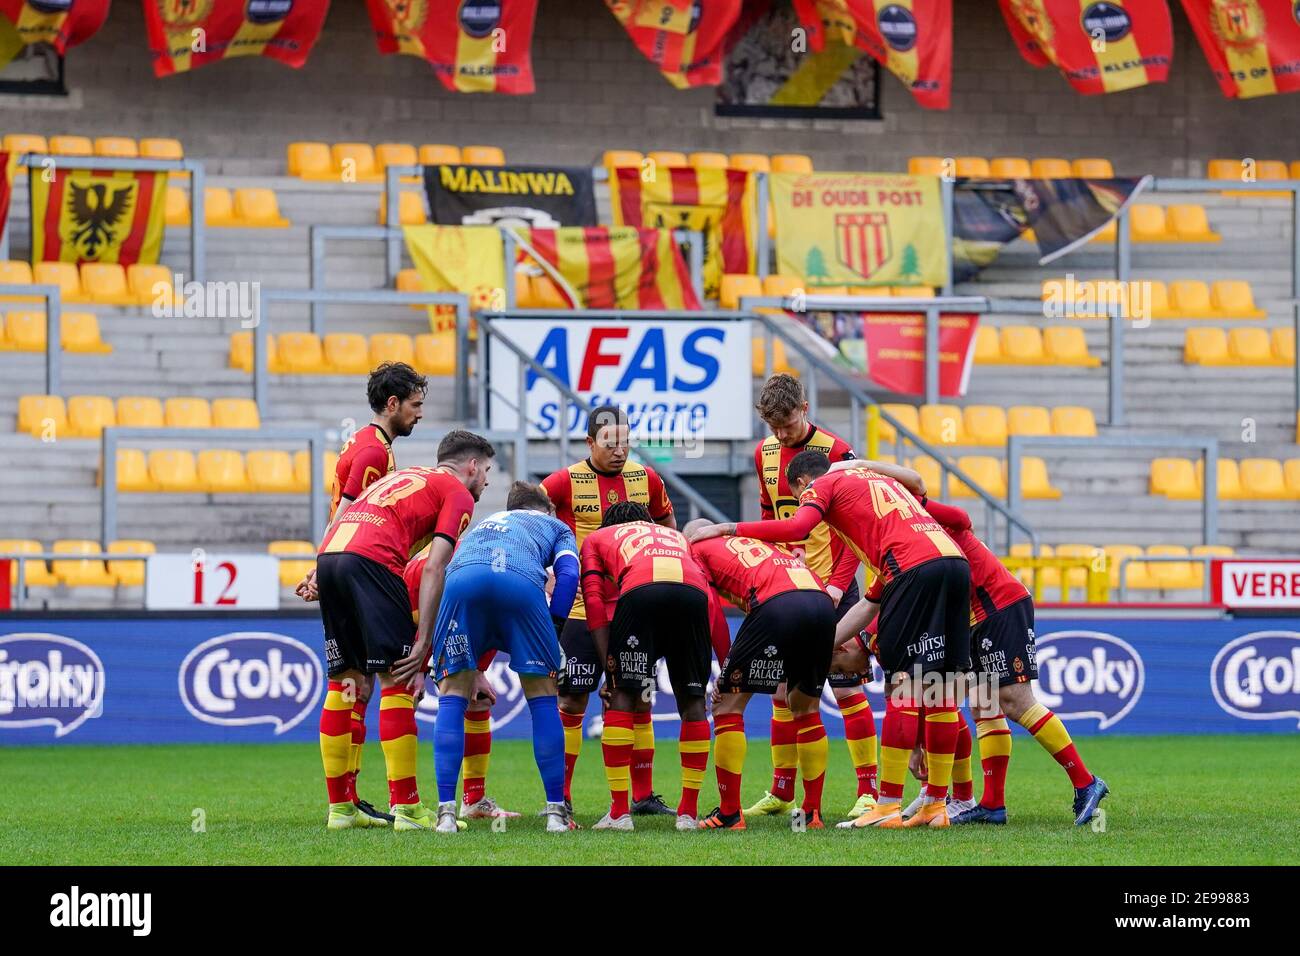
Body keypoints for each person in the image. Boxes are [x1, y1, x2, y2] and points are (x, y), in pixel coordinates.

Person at [688, 452, 970, 829]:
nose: (802, 502)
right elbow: (918, 484)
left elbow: (797, 529)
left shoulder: (822, 485)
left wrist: (729, 527)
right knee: (940, 689)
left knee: (905, 687)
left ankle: (885, 804)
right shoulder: (878, 495)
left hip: (907, 571)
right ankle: (936, 804)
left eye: (797, 496)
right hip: (952, 561)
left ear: (804, 484)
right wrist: (821, 649)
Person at [317, 429, 493, 831]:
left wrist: (320, 571)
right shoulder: (458, 493)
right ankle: (407, 808)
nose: (486, 480)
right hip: (372, 562)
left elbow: (347, 515)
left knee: (344, 684)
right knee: (396, 680)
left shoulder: (408, 475)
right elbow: (435, 566)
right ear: (471, 466)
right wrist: (423, 641)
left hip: (331, 555)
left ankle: (341, 808)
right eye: (486, 471)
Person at [904, 494, 1109, 827]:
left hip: (999, 606)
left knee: (1016, 702)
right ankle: (992, 805)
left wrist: (920, 501)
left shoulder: (928, 520)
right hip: (973, 619)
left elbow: (960, 516)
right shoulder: (910, 535)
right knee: (984, 708)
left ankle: (1086, 783)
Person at [299, 362, 427, 826]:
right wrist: (320, 571)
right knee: (386, 677)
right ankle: (398, 804)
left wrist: (321, 568)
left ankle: (345, 804)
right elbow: (352, 513)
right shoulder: (375, 451)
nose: (419, 415)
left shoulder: (364, 444)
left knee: (353, 682)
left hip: (338, 565)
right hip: (359, 569)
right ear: (392, 404)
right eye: (414, 406)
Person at [748, 373, 879, 822]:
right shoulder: (763, 454)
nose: (781, 435)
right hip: (790, 589)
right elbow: (770, 519)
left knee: (845, 687)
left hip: (835, 585)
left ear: (804, 407)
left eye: (786, 424)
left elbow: (854, 528)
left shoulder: (838, 454)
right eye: (774, 428)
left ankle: (868, 791)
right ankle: (783, 791)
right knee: (782, 691)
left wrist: (839, 584)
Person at [540, 405, 677, 817]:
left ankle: (643, 796)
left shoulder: (646, 478)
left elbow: (668, 522)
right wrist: (548, 577)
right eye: (609, 443)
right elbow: (532, 523)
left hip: (635, 609)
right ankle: (561, 797)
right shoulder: (562, 482)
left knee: (639, 698)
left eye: (625, 442)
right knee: (572, 700)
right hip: (582, 609)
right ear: (589, 442)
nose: (619, 451)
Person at [425, 481, 581, 834]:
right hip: (520, 584)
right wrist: (553, 628)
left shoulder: (485, 522)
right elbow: (569, 576)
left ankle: (446, 815)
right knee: (543, 699)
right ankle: (556, 814)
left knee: (452, 697)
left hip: (462, 581)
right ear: (547, 510)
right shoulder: (557, 527)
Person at [684, 521, 837, 831]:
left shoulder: (694, 550)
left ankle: (729, 814)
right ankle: (809, 815)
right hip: (820, 601)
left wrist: (726, 668)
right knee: (805, 709)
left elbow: (712, 610)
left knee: (727, 706)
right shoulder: (760, 546)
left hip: (777, 602)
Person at [580, 502, 713, 832]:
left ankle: (619, 813)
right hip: (694, 596)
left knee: (623, 694)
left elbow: (594, 600)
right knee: (693, 702)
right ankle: (687, 814)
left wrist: (609, 665)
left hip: (641, 592)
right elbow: (709, 597)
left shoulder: (599, 538)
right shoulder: (674, 536)